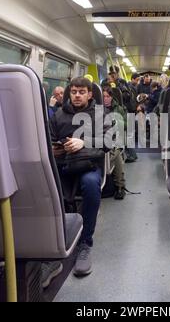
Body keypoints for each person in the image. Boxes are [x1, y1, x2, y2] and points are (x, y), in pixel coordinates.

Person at [49, 77, 107, 278]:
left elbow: (110, 141)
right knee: (47, 187)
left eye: (81, 92)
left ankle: (85, 242)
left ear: (90, 94)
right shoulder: (58, 115)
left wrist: (83, 142)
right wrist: (53, 150)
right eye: (73, 91)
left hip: (89, 165)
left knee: (91, 184)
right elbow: (49, 139)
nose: (77, 95)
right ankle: (53, 247)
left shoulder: (100, 115)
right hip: (63, 163)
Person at [103, 86, 127, 200]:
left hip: (116, 138)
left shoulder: (119, 109)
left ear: (111, 97)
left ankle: (120, 187)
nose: (105, 99)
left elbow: (126, 125)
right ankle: (119, 185)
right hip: (101, 138)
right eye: (103, 97)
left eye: (108, 96)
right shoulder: (96, 109)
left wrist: (117, 123)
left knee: (116, 151)